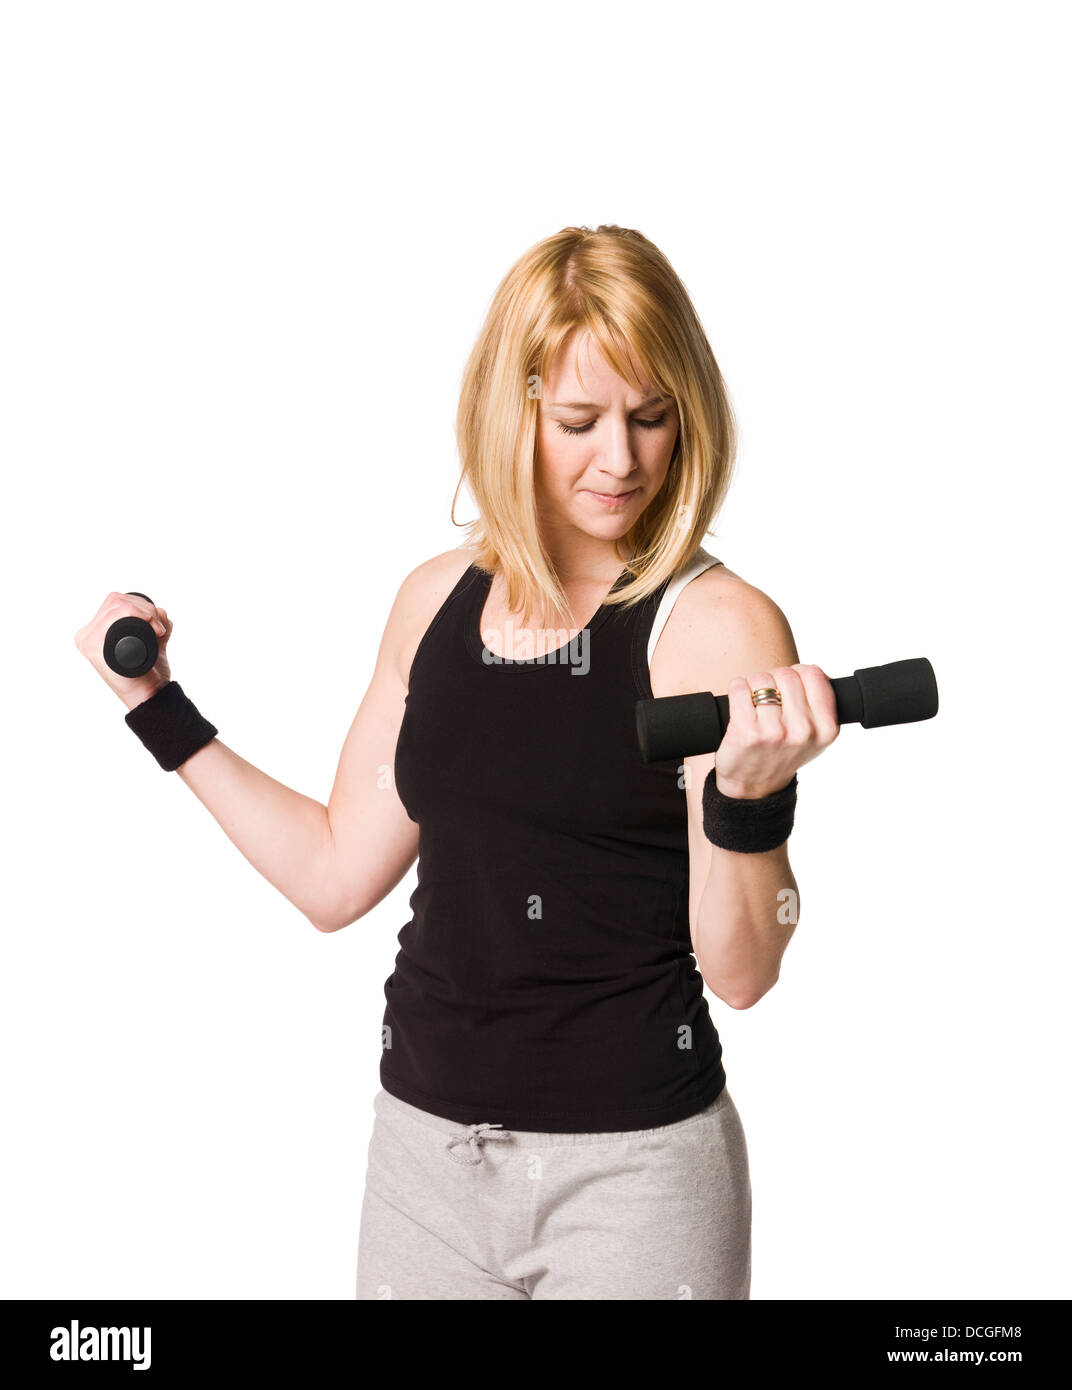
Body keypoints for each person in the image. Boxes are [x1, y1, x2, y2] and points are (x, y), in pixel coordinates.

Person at [75, 224, 839, 1300]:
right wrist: (158, 708)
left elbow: (743, 972)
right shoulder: (434, 602)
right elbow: (334, 871)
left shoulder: (715, 627)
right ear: (511, 408)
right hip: (422, 1158)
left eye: (650, 417)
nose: (619, 460)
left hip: (635, 1175)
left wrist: (752, 803)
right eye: (578, 421)